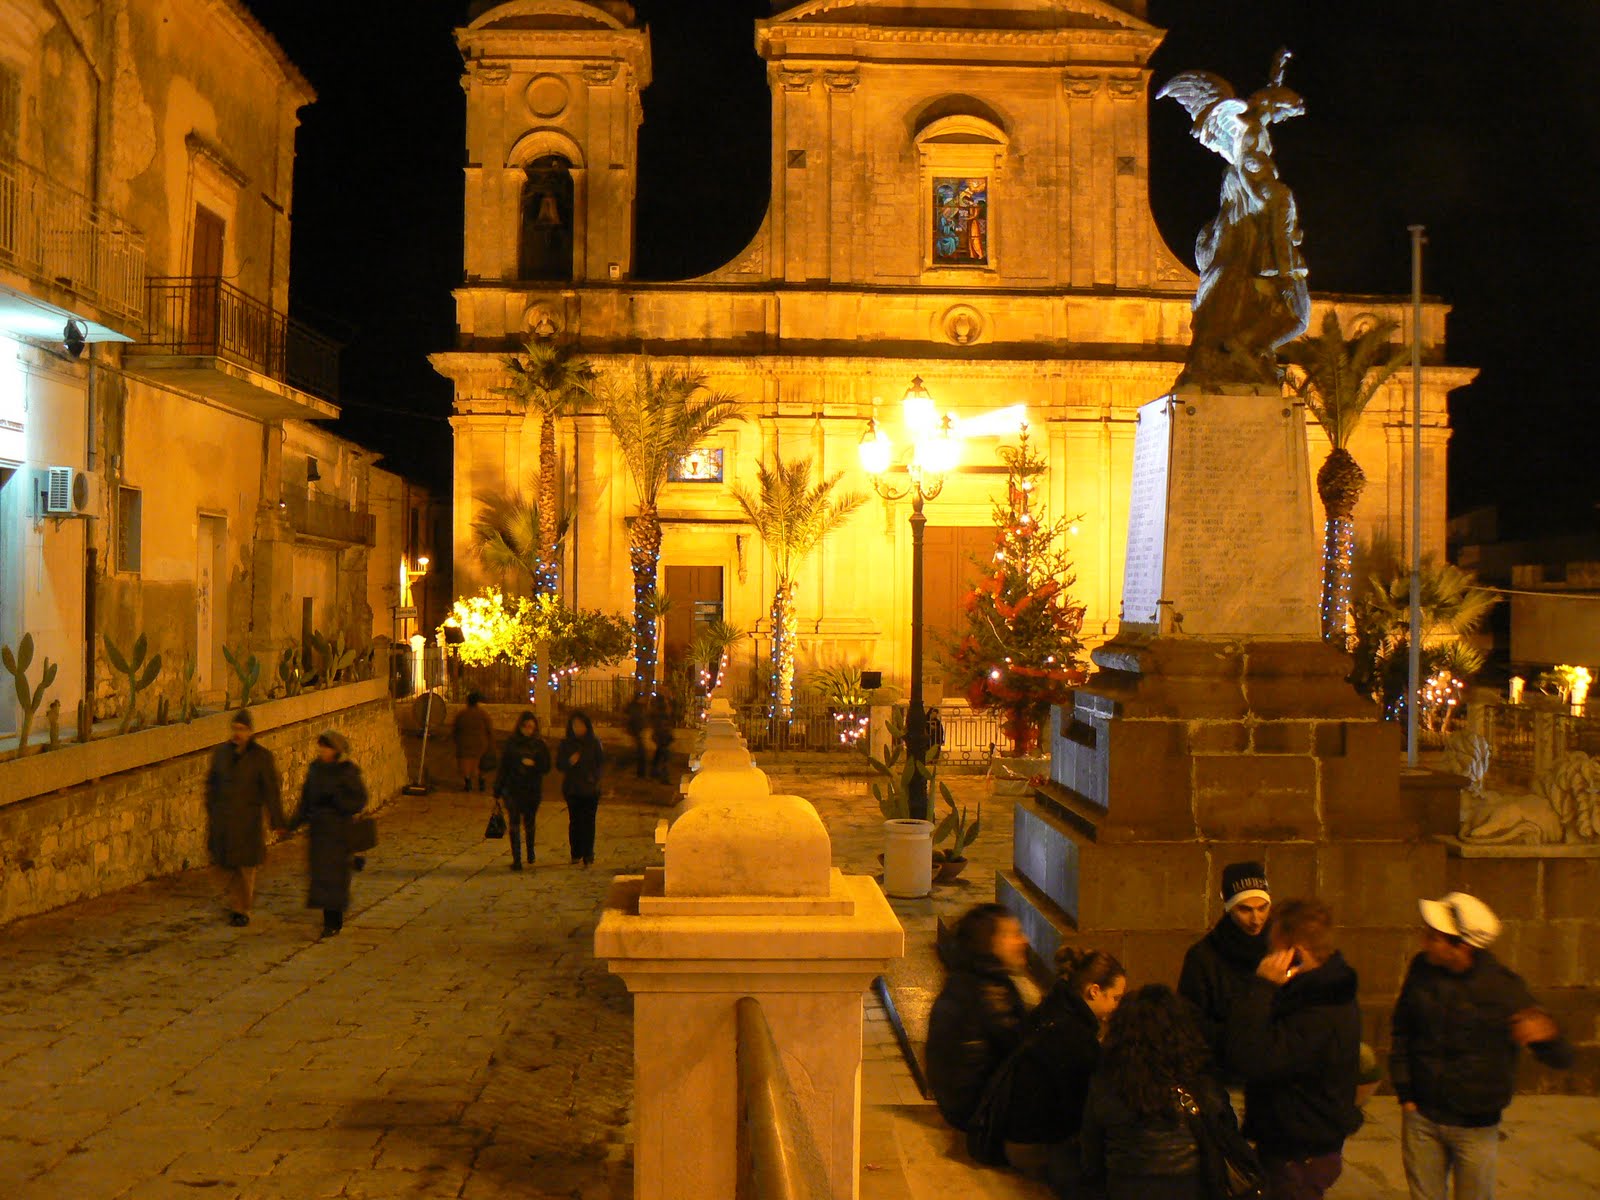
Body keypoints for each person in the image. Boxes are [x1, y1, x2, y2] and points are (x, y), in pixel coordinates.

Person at [1391, 892, 1574, 1200]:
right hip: (1422, 1116)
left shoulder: (1504, 989)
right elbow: (1403, 1030)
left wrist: (1548, 1035)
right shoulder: (1422, 969)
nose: (1425, 941)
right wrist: (1406, 1094)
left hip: (1474, 1127)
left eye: (1435, 937)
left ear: (1461, 947)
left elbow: (1561, 1057)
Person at [1224, 898, 1362, 1200]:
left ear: (1294, 952)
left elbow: (1250, 1056)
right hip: (1298, 1142)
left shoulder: (1317, 1010)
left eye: (1275, 948)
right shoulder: (1322, 991)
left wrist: (1261, 987)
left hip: (1298, 1151)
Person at [978, 947, 1125, 1184]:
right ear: (1094, 991)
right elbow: (1080, 1111)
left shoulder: (1052, 1008)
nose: (1118, 1007)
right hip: (1032, 1148)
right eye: (1116, 998)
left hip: (1011, 1136)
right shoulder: (1076, 1037)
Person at [1080, 984, 1236, 1200]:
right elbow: (1225, 1135)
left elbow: (1091, 1159)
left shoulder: (1106, 1085)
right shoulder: (1198, 1085)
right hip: (1189, 1187)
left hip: (1125, 1187)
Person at [924, 904, 1034, 1132]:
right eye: (1013, 934)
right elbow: (1023, 1052)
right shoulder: (991, 993)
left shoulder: (964, 978)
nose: (1023, 941)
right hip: (977, 1113)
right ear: (991, 942)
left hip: (956, 1104)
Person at [1180, 860, 1272, 1061]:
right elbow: (1193, 1024)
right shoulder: (1203, 957)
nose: (1256, 919)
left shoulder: (1281, 947)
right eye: (1245, 910)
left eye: (1262, 908)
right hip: (1227, 1064)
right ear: (1229, 909)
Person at [204, 709, 286, 927]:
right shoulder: (221, 754)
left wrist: (277, 821)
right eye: (235, 728)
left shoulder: (261, 758)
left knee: (246, 868)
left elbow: (271, 791)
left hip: (247, 821)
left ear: (250, 731)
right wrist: (212, 810)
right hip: (224, 820)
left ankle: (242, 909)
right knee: (225, 866)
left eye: (242, 729)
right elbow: (211, 784)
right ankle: (235, 903)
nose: (238, 733)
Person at [290, 731, 368, 938]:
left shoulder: (347, 772)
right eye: (321, 746)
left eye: (326, 747)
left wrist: (338, 800)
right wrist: (291, 824)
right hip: (319, 832)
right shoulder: (315, 770)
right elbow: (305, 801)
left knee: (336, 877)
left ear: (335, 750)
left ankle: (335, 921)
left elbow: (359, 800)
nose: (322, 751)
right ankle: (328, 920)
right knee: (323, 877)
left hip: (339, 832)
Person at [495, 710, 551, 870]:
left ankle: (530, 852)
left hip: (531, 789)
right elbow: (503, 767)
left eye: (531, 727)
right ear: (520, 726)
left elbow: (546, 766)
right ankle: (517, 858)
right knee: (514, 823)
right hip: (513, 788)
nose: (528, 730)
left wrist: (534, 764)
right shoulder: (511, 743)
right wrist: (497, 790)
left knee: (530, 822)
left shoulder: (539, 745)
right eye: (525, 726)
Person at [557, 709, 604, 867]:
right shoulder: (566, 744)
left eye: (580, 725)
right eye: (575, 725)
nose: (578, 728)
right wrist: (570, 761)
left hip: (590, 789)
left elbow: (600, 763)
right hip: (573, 789)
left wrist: (594, 778)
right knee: (575, 821)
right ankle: (576, 852)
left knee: (589, 822)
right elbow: (559, 764)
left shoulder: (594, 743)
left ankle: (588, 853)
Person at [452, 691, 494, 792]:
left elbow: (456, 729)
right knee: (480, 764)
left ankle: (468, 783)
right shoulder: (483, 714)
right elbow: (489, 729)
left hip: (464, 744)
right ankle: (481, 782)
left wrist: (456, 741)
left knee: (466, 764)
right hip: (480, 744)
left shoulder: (462, 714)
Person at [648, 694, 675, 783]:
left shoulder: (656, 712)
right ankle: (664, 777)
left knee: (659, 754)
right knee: (665, 756)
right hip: (663, 736)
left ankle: (654, 772)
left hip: (660, 736)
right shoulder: (662, 713)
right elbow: (665, 725)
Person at [625, 693, 649, 778]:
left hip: (637, 732)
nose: (645, 699)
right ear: (639, 699)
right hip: (636, 732)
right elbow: (635, 720)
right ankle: (641, 773)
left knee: (640, 753)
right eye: (643, 698)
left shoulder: (638, 707)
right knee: (640, 753)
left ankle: (641, 773)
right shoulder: (635, 708)